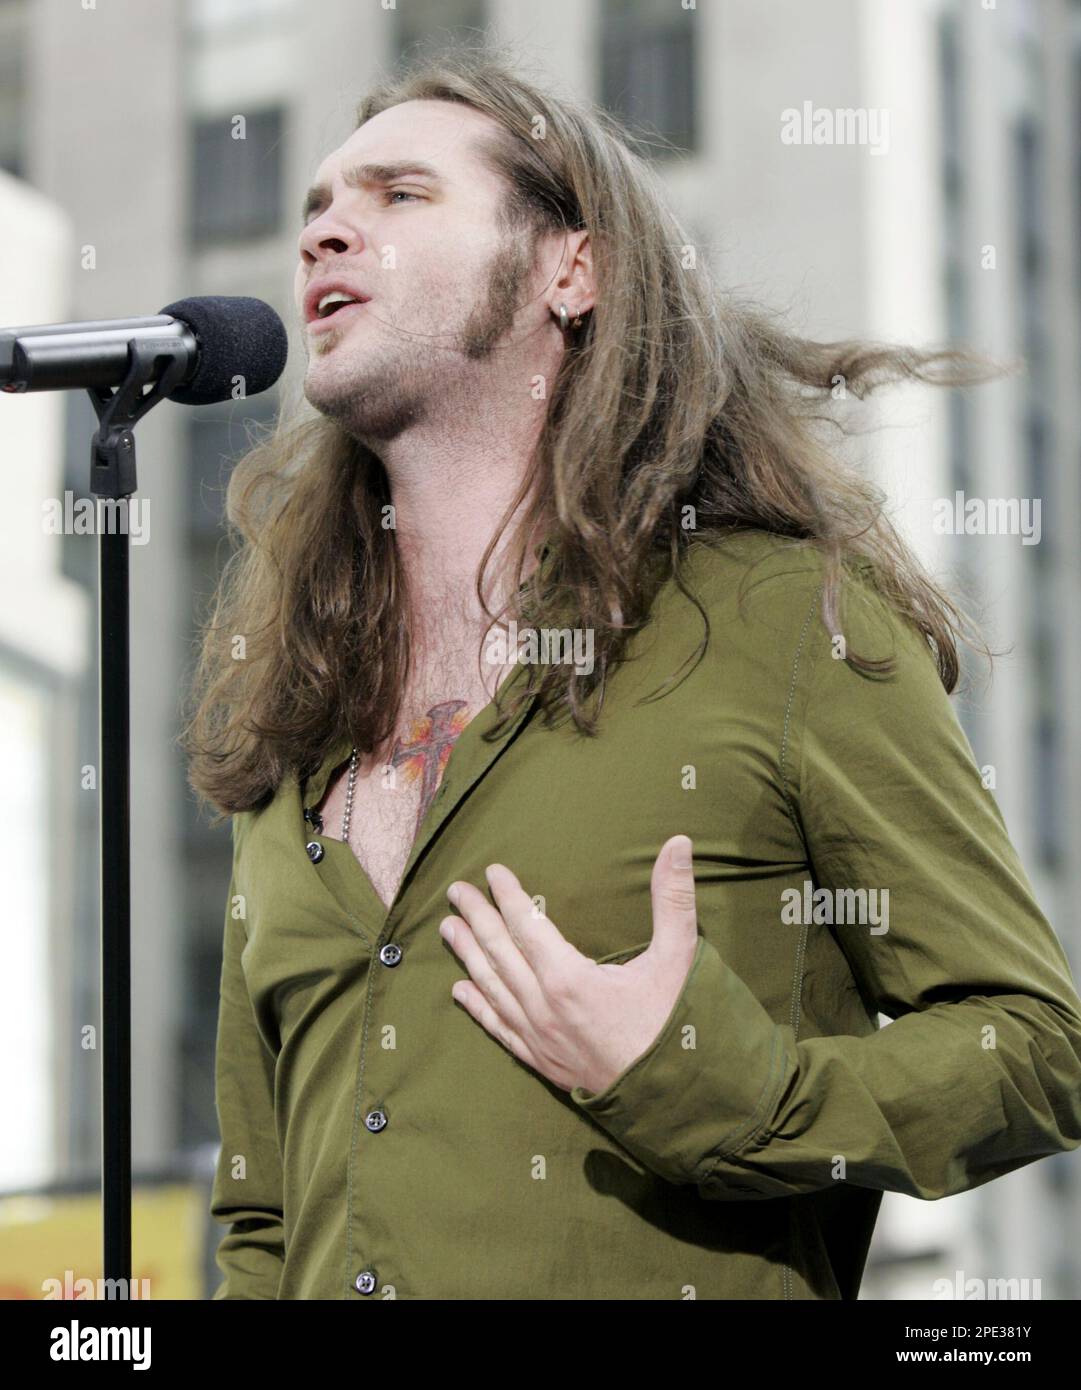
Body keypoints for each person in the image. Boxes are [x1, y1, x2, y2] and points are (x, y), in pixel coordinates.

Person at [182, 46, 1081, 1300]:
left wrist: (717, 1084)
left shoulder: (778, 621)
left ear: (570, 268)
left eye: (397, 195)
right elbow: (261, 1218)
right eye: (317, 207)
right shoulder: (298, 717)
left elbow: (1033, 1048)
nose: (327, 231)